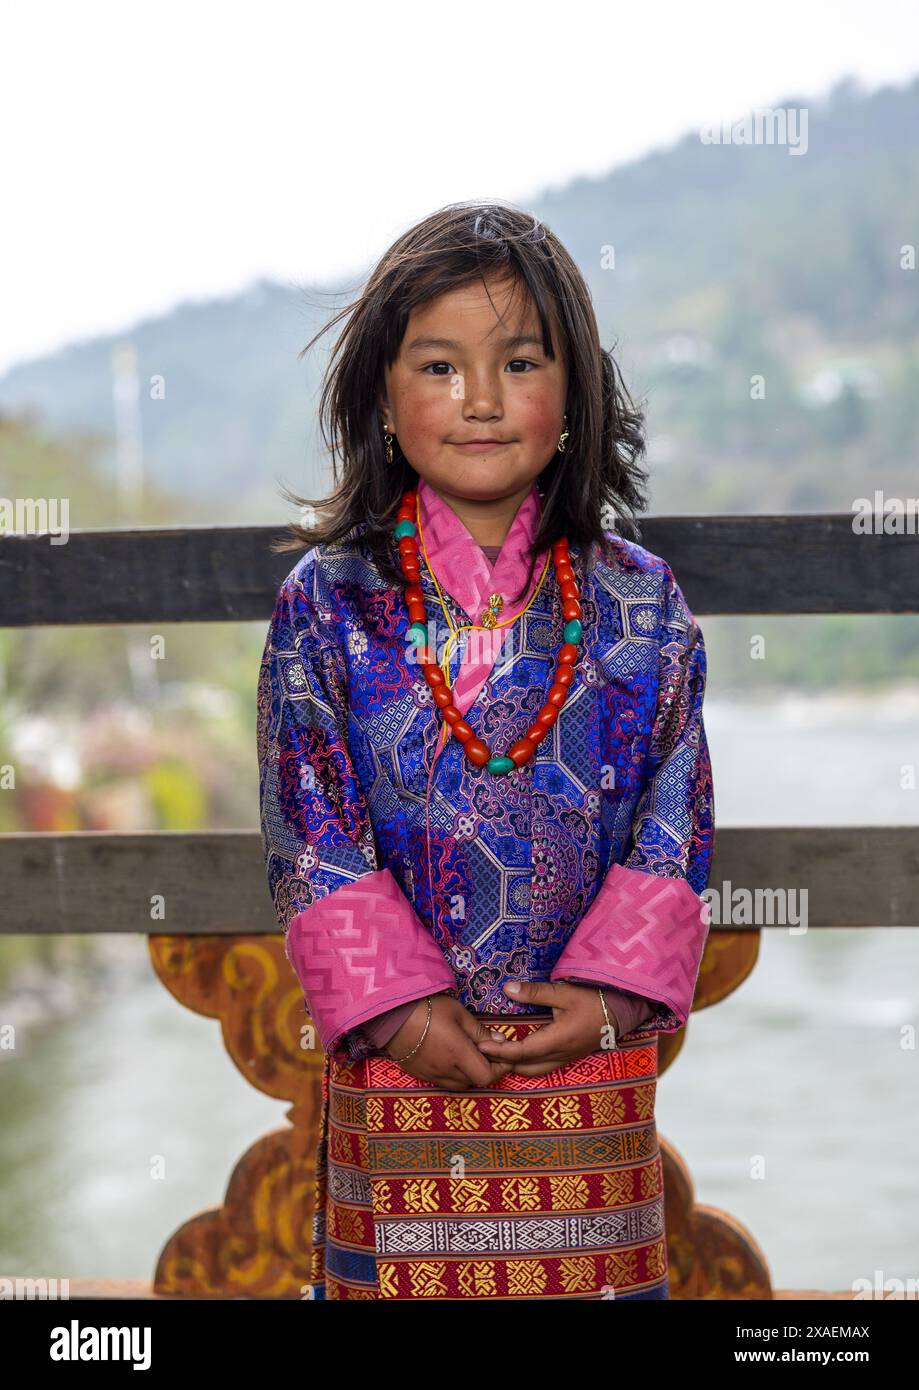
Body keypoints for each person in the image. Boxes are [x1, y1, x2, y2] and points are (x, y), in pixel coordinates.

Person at [256, 200, 715, 1301]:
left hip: (585, 1073)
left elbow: (673, 809)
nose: (478, 400)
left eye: (517, 361)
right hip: (399, 1075)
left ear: (574, 394)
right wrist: (400, 1013)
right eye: (438, 365)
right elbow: (307, 818)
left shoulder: (640, 606)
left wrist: (608, 1003)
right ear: (380, 393)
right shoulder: (327, 604)